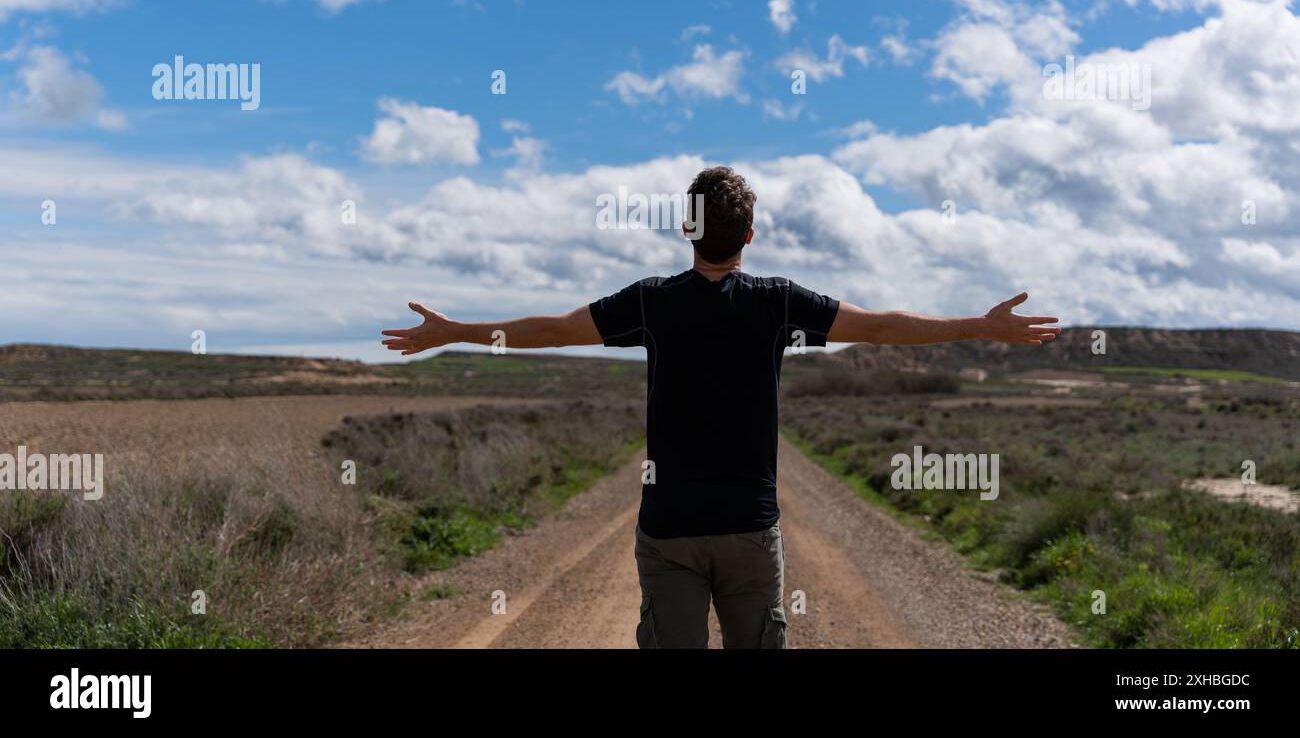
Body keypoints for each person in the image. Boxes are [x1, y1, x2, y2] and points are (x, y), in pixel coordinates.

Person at [381, 166, 1060, 648]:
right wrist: (978, 323)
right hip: (748, 528)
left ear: (686, 229)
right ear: (751, 234)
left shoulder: (650, 300)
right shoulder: (776, 300)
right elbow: (884, 325)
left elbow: (550, 330)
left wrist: (455, 332)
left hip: (670, 528)